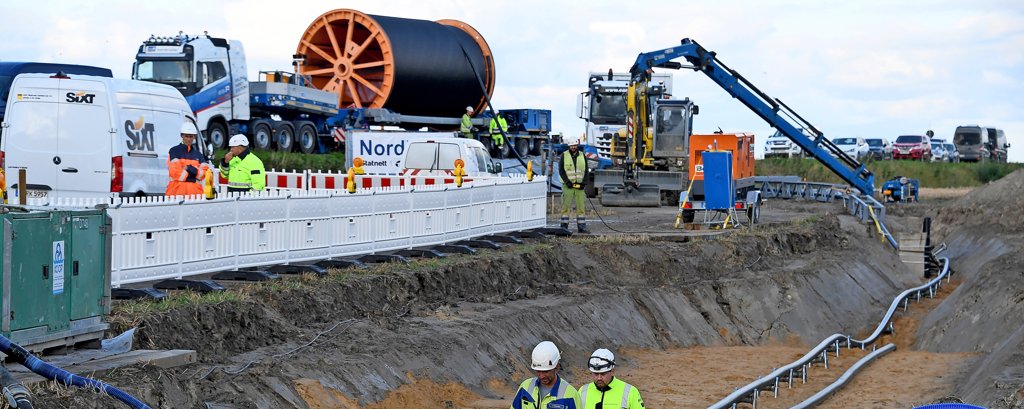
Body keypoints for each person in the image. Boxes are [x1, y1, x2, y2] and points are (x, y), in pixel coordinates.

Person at [511, 341, 580, 409]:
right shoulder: (525, 387)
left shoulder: (571, 395)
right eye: (538, 371)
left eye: (545, 371)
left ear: (557, 367)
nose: (541, 376)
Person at [578, 349, 645, 409]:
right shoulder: (582, 391)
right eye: (595, 374)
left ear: (612, 371)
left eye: (603, 374)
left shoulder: (630, 392)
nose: (599, 378)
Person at [165, 121, 209, 197]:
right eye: (186, 136)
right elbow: (175, 172)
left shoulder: (198, 154)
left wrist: (189, 168)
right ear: (182, 136)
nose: (189, 139)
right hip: (177, 194)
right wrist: (195, 177)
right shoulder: (174, 151)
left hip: (195, 195)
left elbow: (204, 174)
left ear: (194, 137)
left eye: (191, 136)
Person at [558, 137, 589, 233]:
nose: (573, 147)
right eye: (571, 146)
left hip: (580, 186)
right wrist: (567, 182)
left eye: (575, 146)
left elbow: (586, 170)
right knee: (565, 206)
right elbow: (561, 170)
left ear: (577, 146)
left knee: (581, 207)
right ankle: (564, 226)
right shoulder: (564, 155)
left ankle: (581, 227)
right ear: (569, 146)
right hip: (568, 186)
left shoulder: (582, 155)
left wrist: (584, 183)